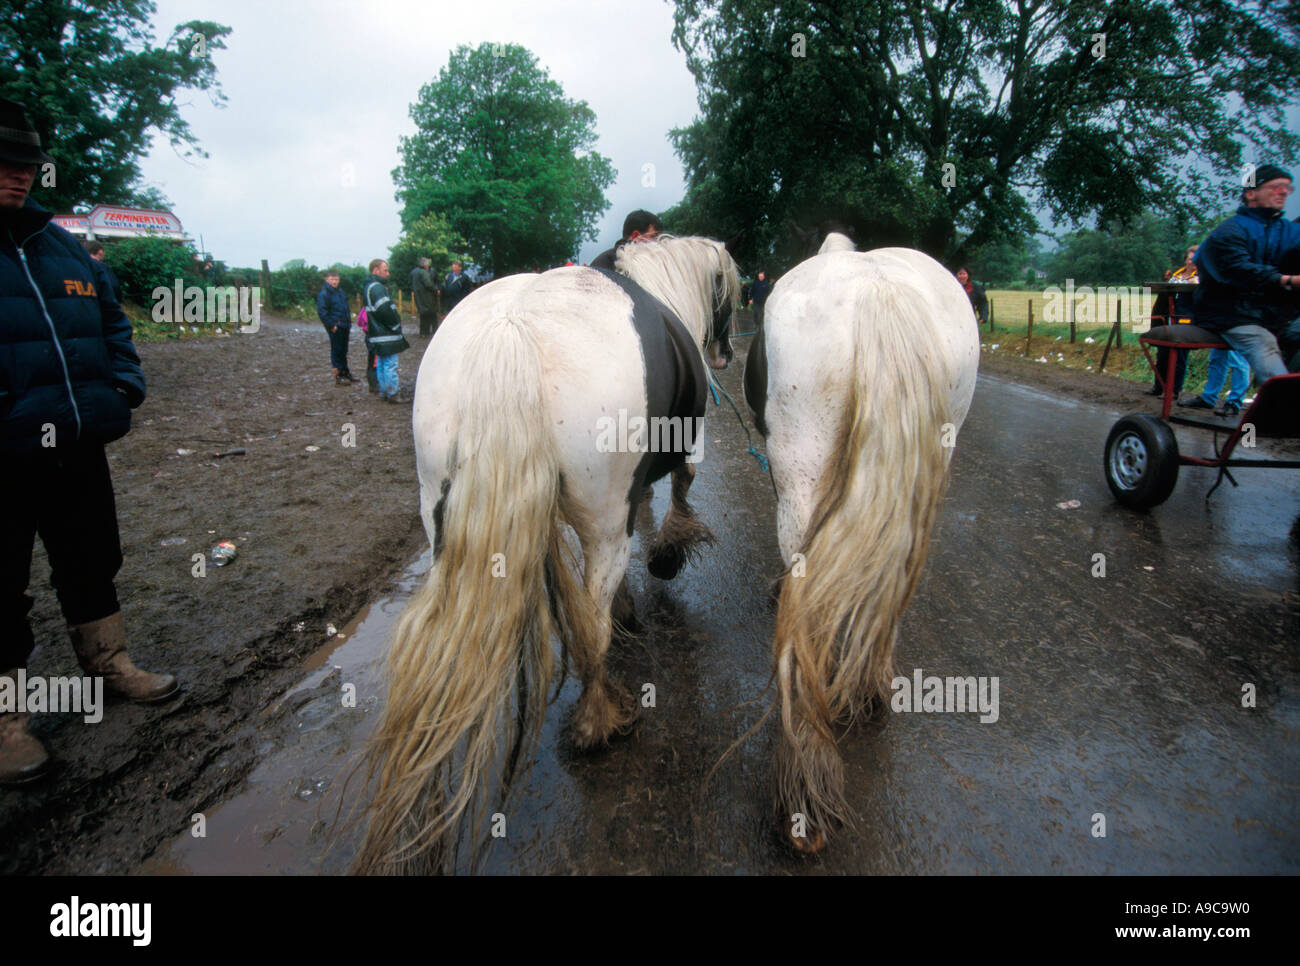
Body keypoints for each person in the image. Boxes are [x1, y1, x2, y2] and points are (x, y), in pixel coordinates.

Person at [0, 98, 177, 786]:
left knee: (91, 557)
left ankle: (109, 665)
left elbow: (112, 325)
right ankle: (8, 721)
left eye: (24, 166)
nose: (17, 178)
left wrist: (122, 388)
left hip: (74, 445)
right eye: (5, 166)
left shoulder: (62, 246)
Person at [1193, 164, 1300, 384]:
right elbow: (1239, 270)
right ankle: (1283, 400)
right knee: (1265, 343)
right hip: (1230, 314)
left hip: (1273, 316)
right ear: (1251, 193)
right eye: (1275, 186)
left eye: (1287, 188)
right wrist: (1287, 279)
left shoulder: (1288, 231)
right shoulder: (1229, 230)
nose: (1283, 192)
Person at [1147, 246, 1197, 397]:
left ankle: (1174, 390)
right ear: (1185, 260)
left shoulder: (1200, 277)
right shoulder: (1177, 275)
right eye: (1190, 259)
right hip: (1169, 317)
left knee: (1180, 354)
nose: (1192, 262)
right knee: (1163, 353)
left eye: (1196, 260)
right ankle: (1158, 386)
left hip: (1185, 319)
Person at [362, 259, 410, 403]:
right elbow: (385, 310)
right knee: (390, 364)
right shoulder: (377, 288)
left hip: (376, 334)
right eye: (385, 270)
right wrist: (395, 325)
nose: (387, 274)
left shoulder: (368, 286)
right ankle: (393, 393)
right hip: (386, 334)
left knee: (382, 363)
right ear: (376, 270)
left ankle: (384, 391)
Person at [316, 269, 355, 385]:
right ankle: (338, 375)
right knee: (336, 351)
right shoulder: (324, 294)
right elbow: (322, 313)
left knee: (344, 350)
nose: (334, 281)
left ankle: (345, 372)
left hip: (345, 325)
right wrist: (331, 325)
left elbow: (345, 308)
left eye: (336, 279)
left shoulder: (340, 292)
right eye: (332, 279)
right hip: (335, 327)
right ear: (327, 279)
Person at [589, 210, 662, 271]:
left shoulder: (602, 260)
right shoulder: (610, 262)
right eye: (653, 237)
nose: (657, 243)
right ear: (635, 236)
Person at [410, 257, 439, 337]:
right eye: (428, 264)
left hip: (418, 296)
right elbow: (429, 284)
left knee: (423, 315)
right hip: (427, 297)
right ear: (425, 265)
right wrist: (435, 289)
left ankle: (423, 333)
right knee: (432, 314)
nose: (428, 265)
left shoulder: (413, 272)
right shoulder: (423, 272)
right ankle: (435, 332)